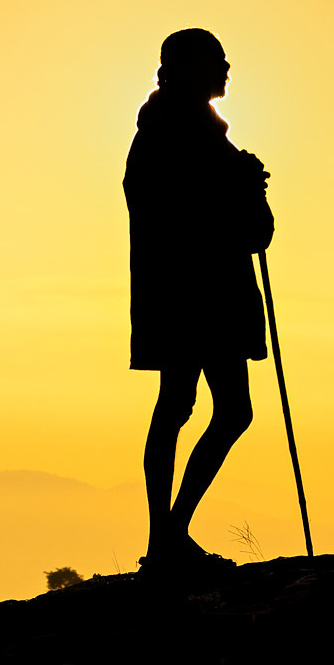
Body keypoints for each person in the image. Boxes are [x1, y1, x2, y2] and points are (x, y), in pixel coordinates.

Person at [123, 28, 274, 570]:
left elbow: (247, 227)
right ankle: (167, 536)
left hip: (188, 291)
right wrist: (245, 187)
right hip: (197, 292)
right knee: (206, 408)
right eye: (218, 60)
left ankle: (167, 535)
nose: (227, 69)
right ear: (190, 69)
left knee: (196, 407)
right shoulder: (181, 131)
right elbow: (219, 221)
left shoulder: (184, 129)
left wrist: (245, 185)